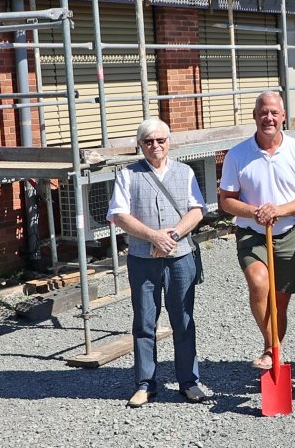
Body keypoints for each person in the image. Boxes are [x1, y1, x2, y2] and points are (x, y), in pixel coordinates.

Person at [108, 117, 211, 406]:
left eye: (160, 140)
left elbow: (197, 210)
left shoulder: (186, 171)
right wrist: (154, 236)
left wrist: (173, 236)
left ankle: (189, 382)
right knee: (144, 322)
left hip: (180, 258)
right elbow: (119, 215)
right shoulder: (127, 174)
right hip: (143, 259)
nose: (155, 145)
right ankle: (145, 383)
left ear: (169, 142)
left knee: (184, 320)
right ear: (140, 145)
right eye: (148, 141)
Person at [218, 91, 295, 371]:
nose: (269, 118)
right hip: (251, 233)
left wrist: (278, 211)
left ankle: (273, 350)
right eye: (263, 112)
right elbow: (226, 200)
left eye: (274, 112)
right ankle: (271, 348)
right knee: (259, 283)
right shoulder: (237, 155)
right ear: (254, 116)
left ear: (283, 116)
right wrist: (256, 212)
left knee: (281, 301)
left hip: (288, 233)